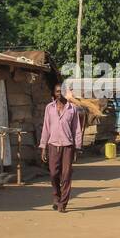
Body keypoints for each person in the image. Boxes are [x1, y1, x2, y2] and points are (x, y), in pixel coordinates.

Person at [39, 84, 83, 212]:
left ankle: (63, 204)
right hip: (53, 145)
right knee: (53, 174)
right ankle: (56, 197)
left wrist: (77, 148)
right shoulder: (49, 108)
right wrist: (43, 147)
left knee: (66, 175)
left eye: (62, 91)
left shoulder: (72, 109)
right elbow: (46, 128)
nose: (60, 93)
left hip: (68, 146)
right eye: (57, 91)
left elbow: (76, 130)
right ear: (54, 93)